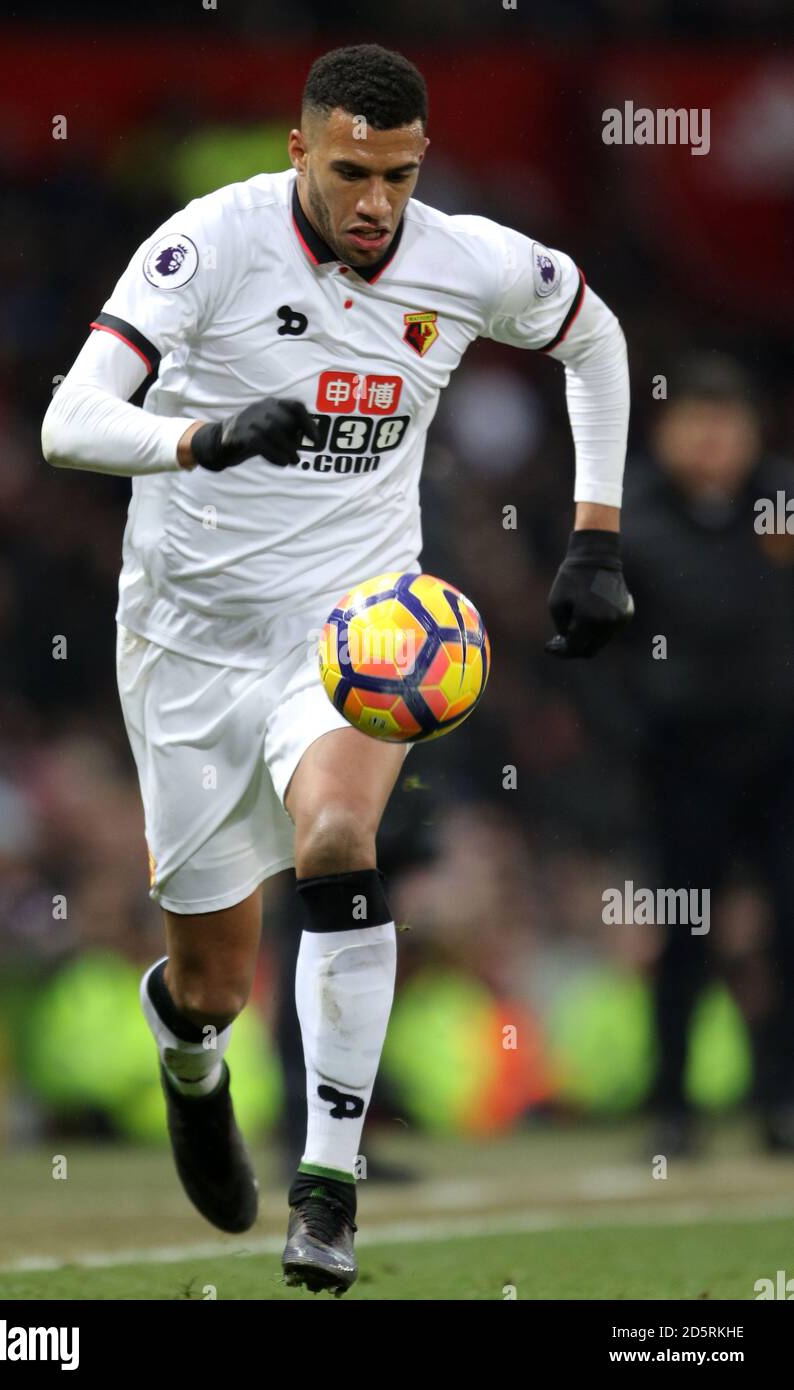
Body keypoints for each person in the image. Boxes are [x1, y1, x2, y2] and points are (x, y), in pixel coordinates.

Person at [41, 43, 632, 1296]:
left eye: (399, 176)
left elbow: (597, 336)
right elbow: (69, 422)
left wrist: (592, 532)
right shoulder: (208, 243)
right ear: (296, 147)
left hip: (355, 627)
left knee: (335, 839)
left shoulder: (464, 260)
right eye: (352, 171)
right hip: (189, 639)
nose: (375, 202)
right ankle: (190, 1053)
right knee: (213, 979)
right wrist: (201, 439)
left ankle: (328, 1187)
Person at [616, 355, 794, 1157]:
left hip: (783, 755)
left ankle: (781, 1099)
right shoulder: (629, 516)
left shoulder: (782, 501)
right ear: (668, 428)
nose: (715, 440)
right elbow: (593, 650)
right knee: (685, 932)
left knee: (788, 927)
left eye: (730, 423)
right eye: (699, 420)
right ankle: (674, 1106)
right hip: (681, 758)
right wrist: (634, 729)